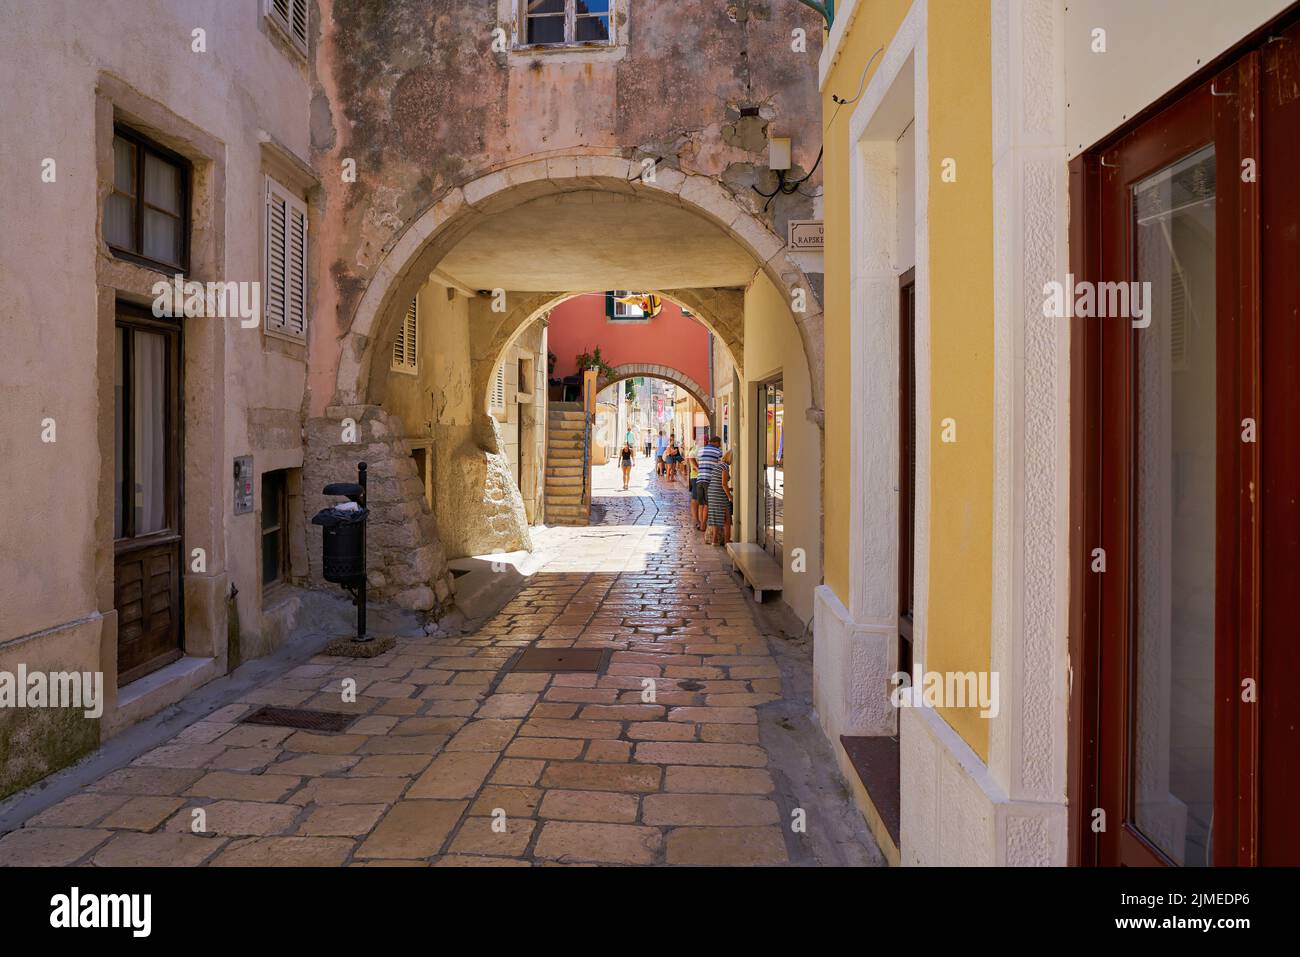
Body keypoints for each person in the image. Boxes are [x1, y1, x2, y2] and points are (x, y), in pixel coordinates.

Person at [694, 436, 722, 532]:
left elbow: (696, 460)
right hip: (709, 480)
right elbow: (720, 465)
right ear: (717, 443)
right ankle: (703, 526)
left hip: (700, 479)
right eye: (720, 443)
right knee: (707, 504)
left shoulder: (701, 450)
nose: (720, 445)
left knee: (701, 503)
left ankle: (701, 523)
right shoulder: (718, 452)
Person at [706, 449, 733, 545]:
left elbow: (717, 482)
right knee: (727, 518)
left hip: (712, 493)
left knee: (715, 517)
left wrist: (729, 489)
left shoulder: (718, 465)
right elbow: (723, 484)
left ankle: (714, 541)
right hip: (719, 495)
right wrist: (730, 497)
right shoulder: (725, 467)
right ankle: (727, 540)